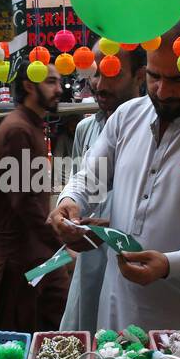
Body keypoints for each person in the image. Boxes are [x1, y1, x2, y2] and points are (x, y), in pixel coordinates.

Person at [50, 17, 180, 332]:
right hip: (120, 306)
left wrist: (169, 265)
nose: (162, 91)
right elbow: (89, 179)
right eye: (153, 76)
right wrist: (70, 201)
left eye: (177, 79)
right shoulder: (125, 118)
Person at [59, 41, 146, 331]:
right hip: (92, 258)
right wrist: (71, 222)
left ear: (140, 76)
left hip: (137, 260)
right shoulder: (87, 128)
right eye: (96, 73)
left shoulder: (153, 129)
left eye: (112, 73)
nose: (98, 84)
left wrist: (118, 222)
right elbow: (85, 190)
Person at [0, 57, 69, 331]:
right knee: (24, 333)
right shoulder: (19, 130)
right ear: (29, 87)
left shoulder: (31, 126)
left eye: (58, 81)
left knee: (52, 317)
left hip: (35, 252)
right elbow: (25, 203)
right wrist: (63, 244)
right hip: (19, 258)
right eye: (51, 82)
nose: (59, 89)